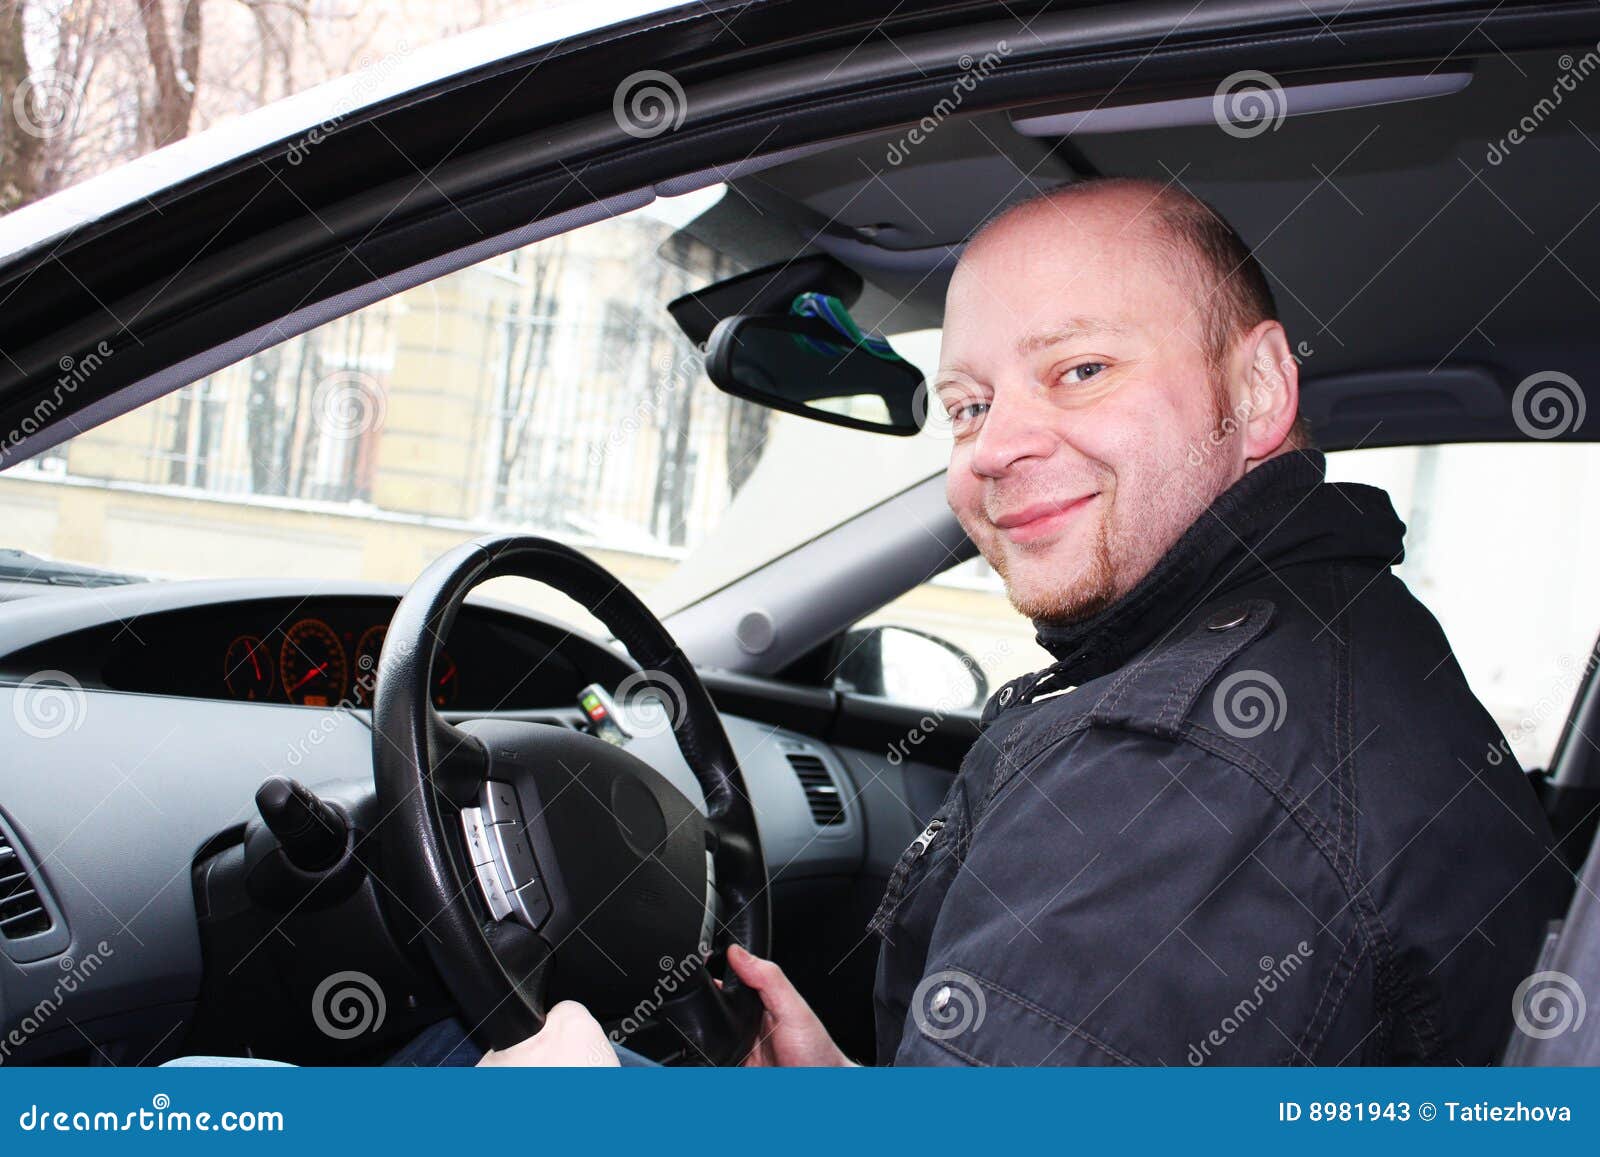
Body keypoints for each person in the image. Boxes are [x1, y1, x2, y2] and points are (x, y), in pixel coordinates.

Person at [456, 177, 1572, 1067]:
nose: (991, 447)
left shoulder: (1173, 774)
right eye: (969, 406)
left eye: (1079, 369)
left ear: (1261, 388)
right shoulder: (1334, 624)